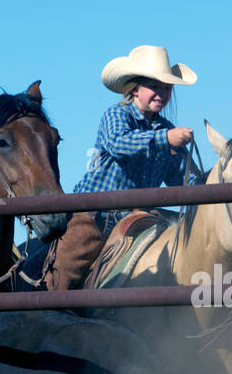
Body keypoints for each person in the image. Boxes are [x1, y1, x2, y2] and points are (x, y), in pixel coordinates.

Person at [45, 45, 197, 291]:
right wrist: (166, 139)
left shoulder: (165, 128)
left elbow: (180, 177)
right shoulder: (117, 114)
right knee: (63, 276)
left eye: (167, 88)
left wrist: (210, 185)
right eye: (155, 86)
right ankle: (47, 310)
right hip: (95, 215)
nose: (162, 93)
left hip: (139, 218)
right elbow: (119, 144)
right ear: (134, 89)